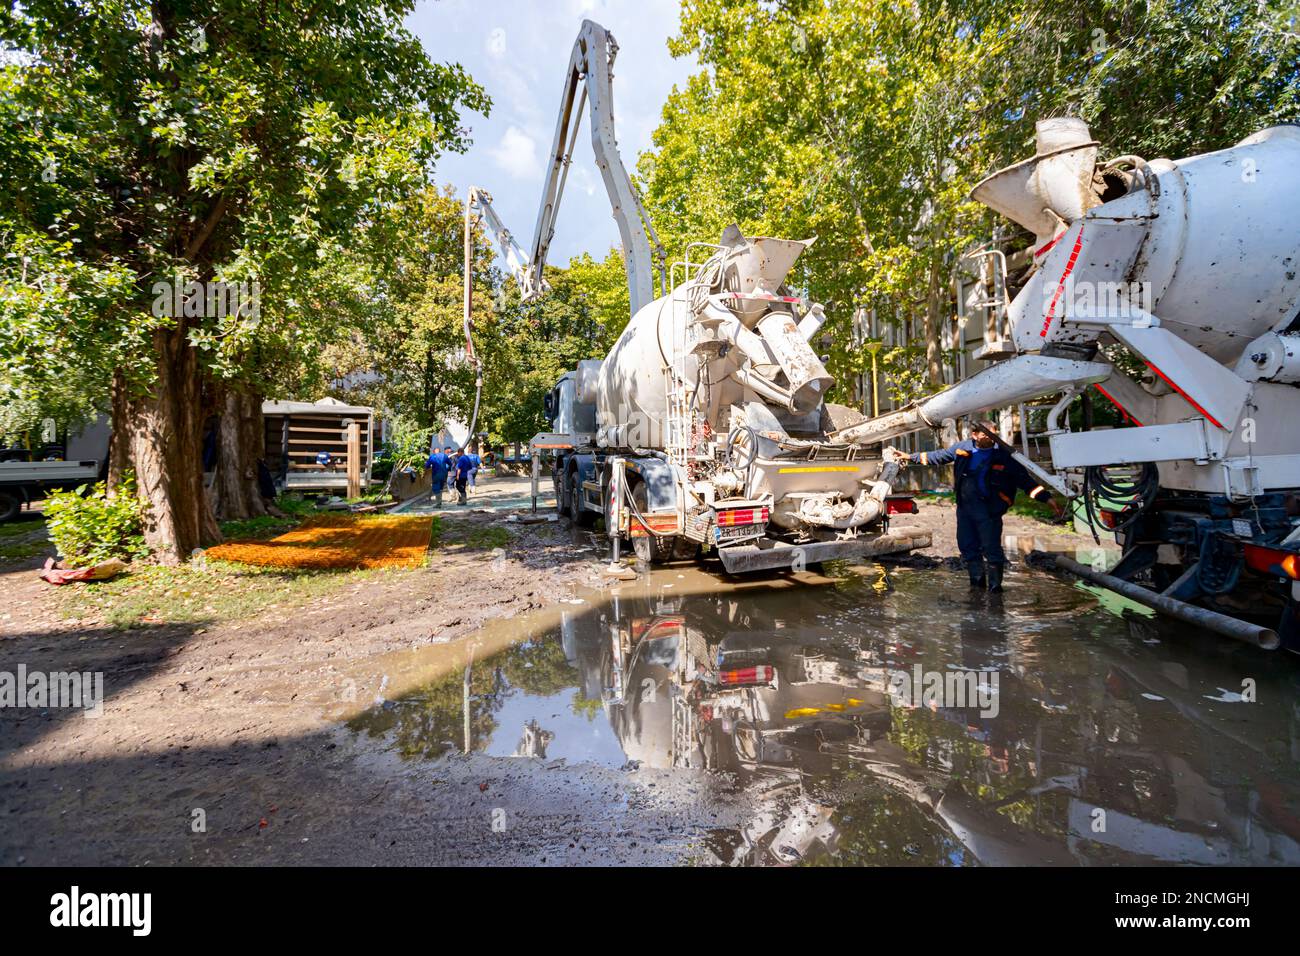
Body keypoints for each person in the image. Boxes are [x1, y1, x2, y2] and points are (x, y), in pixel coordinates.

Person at [892, 421, 1061, 592]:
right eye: (985, 434)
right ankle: (977, 587)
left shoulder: (1004, 455)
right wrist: (910, 457)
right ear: (974, 435)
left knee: (991, 548)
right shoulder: (962, 449)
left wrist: (1046, 498)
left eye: (993, 434)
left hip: (990, 510)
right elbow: (939, 456)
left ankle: (995, 589)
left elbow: (1025, 481)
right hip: (965, 509)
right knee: (968, 546)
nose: (990, 438)